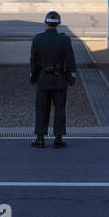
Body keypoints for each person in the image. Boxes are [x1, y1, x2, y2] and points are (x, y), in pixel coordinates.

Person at [30, 10, 77, 147]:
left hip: (43, 79)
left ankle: (40, 138)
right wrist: (71, 78)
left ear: (46, 23)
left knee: (41, 109)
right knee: (60, 108)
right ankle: (58, 138)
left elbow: (33, 61)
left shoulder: (37, 39)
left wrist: (33, 77)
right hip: (59, 79)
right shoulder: (64, 40)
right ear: (59, 24)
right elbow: (70, 61)